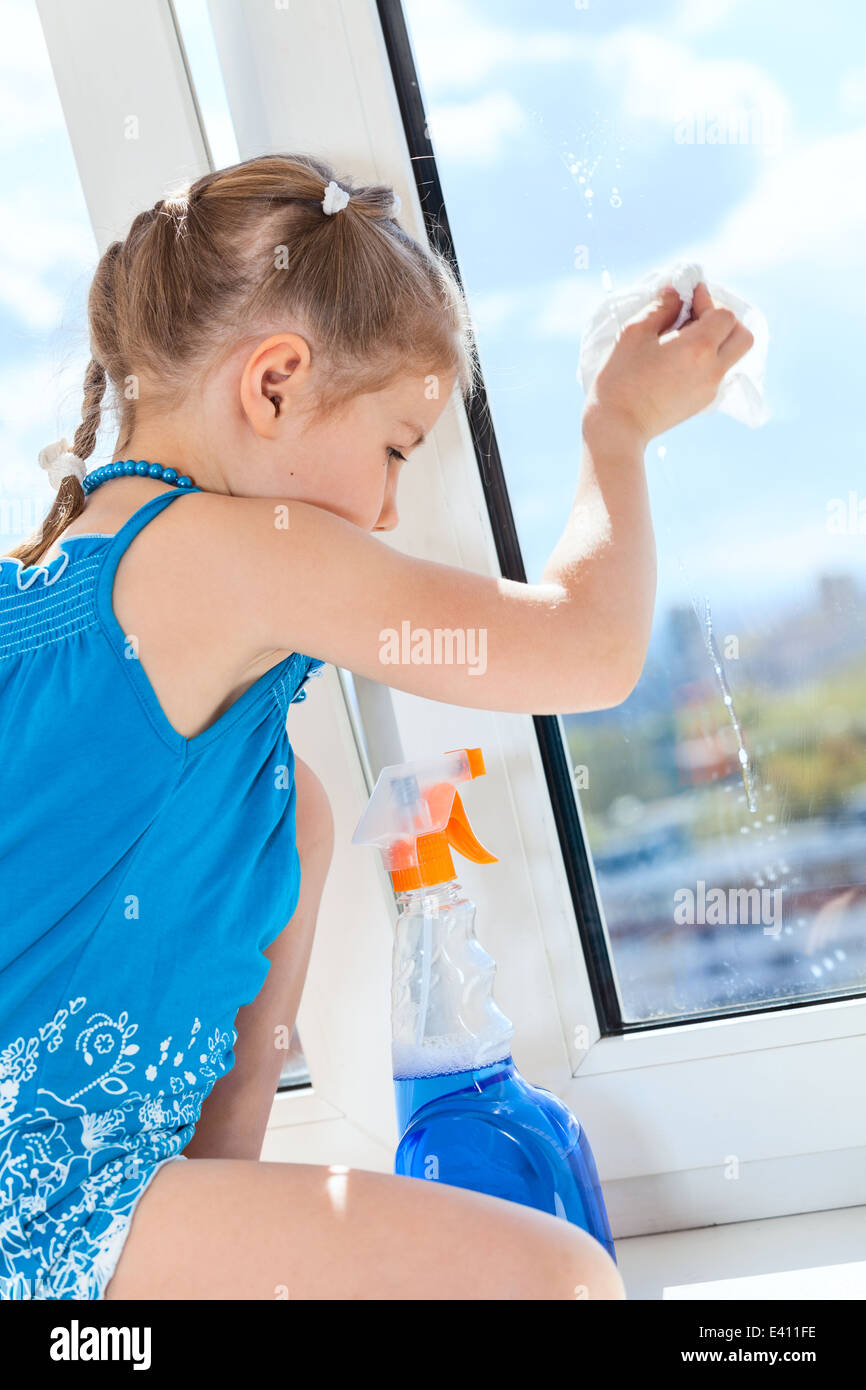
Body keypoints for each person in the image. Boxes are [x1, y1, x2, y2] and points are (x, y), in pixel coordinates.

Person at [0, 153, 753, 1301]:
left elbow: (227, 1131)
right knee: (552, 1280)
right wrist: (618, 429)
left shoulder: (271, 803)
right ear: (274, 383)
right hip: (42, 1219)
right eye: (394, 449)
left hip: (88, 1239)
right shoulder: (213, 552)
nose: (390, 510)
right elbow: (585, 652)